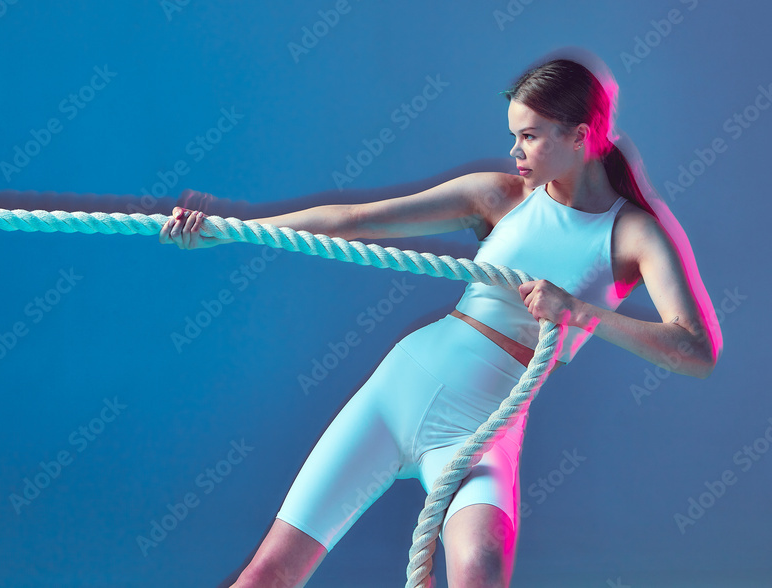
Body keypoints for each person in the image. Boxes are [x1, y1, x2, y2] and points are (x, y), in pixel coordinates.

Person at [160, 54, 720, 588]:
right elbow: (353, 220)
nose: (514, 150)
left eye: (528, 135)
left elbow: (696, 350)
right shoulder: (499, 194)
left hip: (483, 429)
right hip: (401, 390)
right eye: (513, 134)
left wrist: (578, 311)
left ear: (580, 135)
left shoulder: (636, 234)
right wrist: (226, 229)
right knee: (267, 577)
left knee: (479, 570)